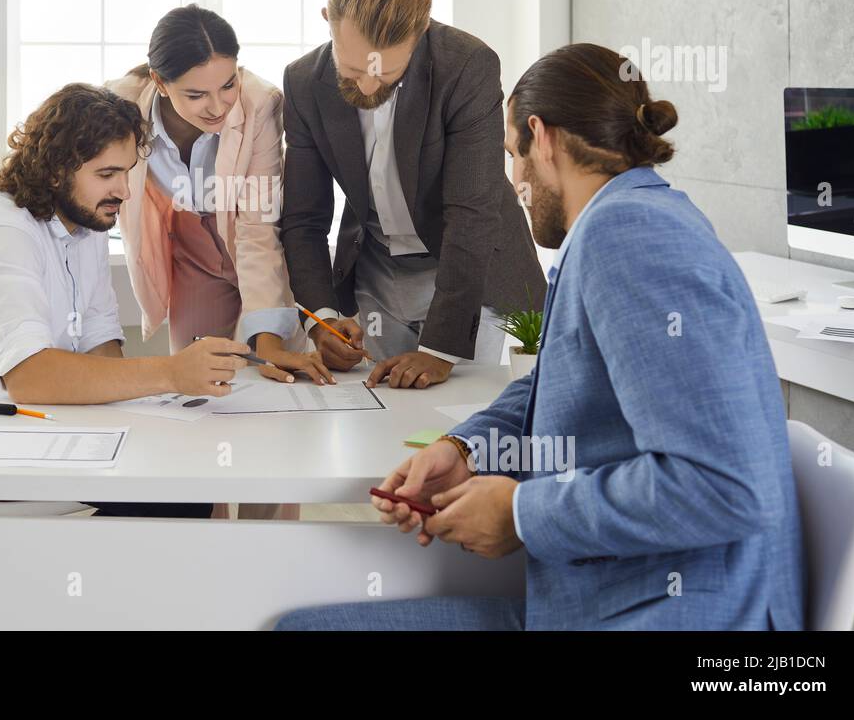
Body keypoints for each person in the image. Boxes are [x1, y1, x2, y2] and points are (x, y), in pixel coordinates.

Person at [276, 43, 805, 629]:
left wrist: (523, 515)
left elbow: (725, 486)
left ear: (542, 137)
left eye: (513, 155)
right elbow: (555, 381)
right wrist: (467, 448)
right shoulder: (627, 220)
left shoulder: (632, 239)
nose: (515, 180)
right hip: (603, 599)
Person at [0, 83, 255, 518]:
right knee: (175, 495)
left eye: (127, 172)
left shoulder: (84, 220)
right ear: (57, 170)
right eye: (106, 174)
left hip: (35, 417)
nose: (125, 192)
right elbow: (30, 377)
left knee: (181, 472)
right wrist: (171, 372)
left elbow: (99, 341)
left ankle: (105, 578)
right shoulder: (5, 233)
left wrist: (157, 397)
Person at [279, 0, 546, 391]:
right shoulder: (303, 81)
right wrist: (321, 319)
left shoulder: (466, 65)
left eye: (385, 74)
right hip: (376, 271)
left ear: (419, 33)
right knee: (388, 412)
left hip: (471, 269)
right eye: (351, 72)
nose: (366, 88)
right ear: (329, 21)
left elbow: (472, 213)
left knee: (467, 414)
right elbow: (304, 217)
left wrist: (440, 350)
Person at [107, 5, 330, 521]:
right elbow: (53, 188)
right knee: (197, 410)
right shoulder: (118, 104)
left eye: (226, 85)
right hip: (193, 262)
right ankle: (203, 551)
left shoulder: (261, 105)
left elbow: (257, 228)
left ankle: (266, 556)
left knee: (270, 411)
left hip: (257, 255)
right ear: (160, 83)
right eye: (196, 94)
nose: (217, 106)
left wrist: (269, 336)